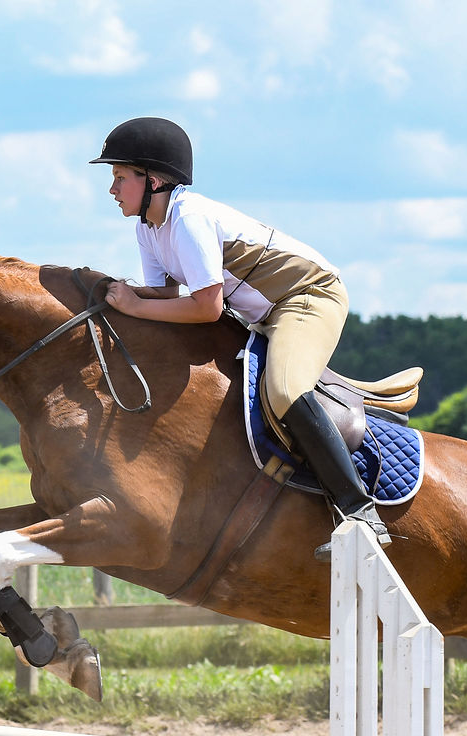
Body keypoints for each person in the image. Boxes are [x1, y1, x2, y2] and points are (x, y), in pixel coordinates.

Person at [91, 116, 390, 557]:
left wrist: (135, 305)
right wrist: (113, 291)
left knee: (285, 391)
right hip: (264, 315)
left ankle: (360, 512)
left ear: (152, 181)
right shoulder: (148, 227)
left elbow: (206, 307)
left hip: (308, 297)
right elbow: (166, 293)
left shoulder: (188, 219)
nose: (112, 190)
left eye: (119, 178)